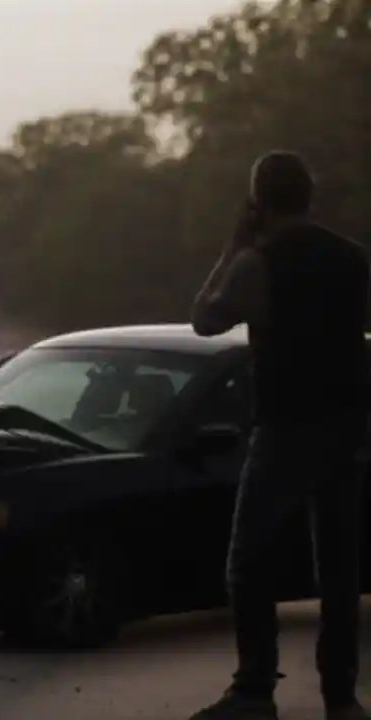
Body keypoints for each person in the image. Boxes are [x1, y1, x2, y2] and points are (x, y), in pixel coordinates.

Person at [189, 151, 369, 720]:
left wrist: (232, 246)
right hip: (348, 424)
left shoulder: (258, 261)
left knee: (248, 559)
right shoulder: (354, 259)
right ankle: (340, 698)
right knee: (339, 568)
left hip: (287, 423)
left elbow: (205, 320)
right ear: (309, 196)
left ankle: (254, 689)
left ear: (258, 200)